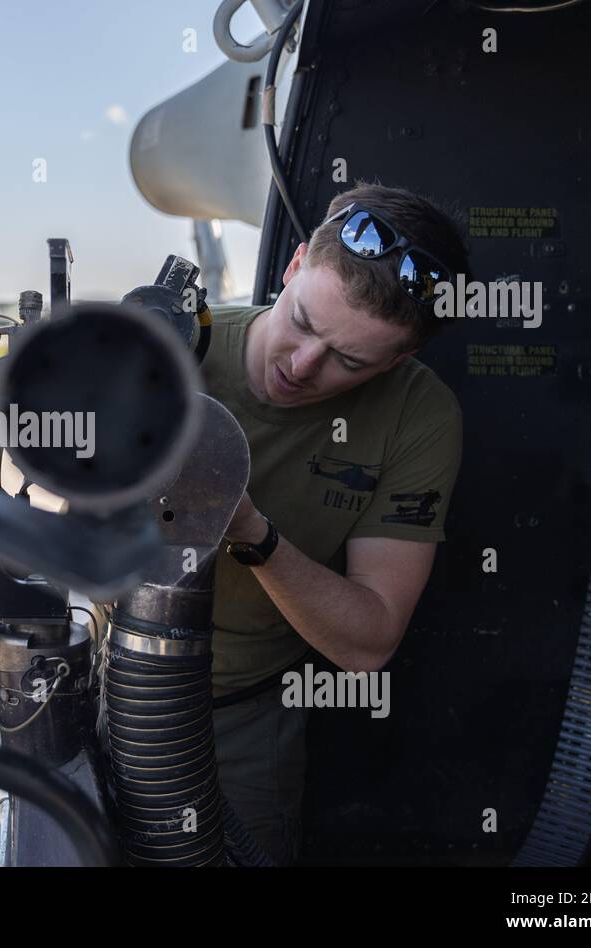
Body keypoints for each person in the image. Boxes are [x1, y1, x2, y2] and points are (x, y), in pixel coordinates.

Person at [207, 182, 470, 864]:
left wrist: (251, 532)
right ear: (294, 265)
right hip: (100, 682)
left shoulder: (418, 416)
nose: (301, 366)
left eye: (348, 361)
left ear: (397, 360)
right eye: (301, 321)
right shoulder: (179, 347)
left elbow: (368, 644)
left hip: (244, 721)